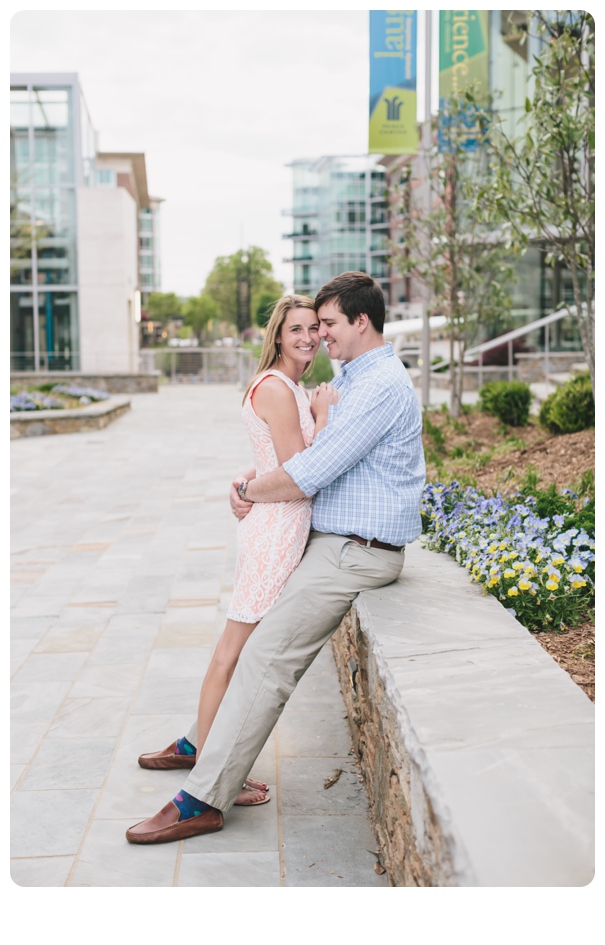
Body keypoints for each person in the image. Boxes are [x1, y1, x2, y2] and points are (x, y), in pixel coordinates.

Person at [127, 271, 424, 844]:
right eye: (313, 326)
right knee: (248, 639)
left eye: (330, 324)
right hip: (335, 542)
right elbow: (306, 456)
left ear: (361, 321)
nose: (322, 335)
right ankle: (200, 742)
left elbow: (309, 472)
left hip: (355, 552)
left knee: (265, 656)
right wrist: (253, 475)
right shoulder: (354, 376)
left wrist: (245, 491)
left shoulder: (380, 384)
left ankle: (204, 798)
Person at [136, 295, 339, 807]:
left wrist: (247, 476)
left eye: (314, 328)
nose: (308, 337)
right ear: (277, 336)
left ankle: (202, 748)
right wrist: (324, 416)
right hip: (274, 533)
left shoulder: (286, 385)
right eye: (296, 329)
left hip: (279, 528)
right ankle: (210, 764)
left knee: (242, 653)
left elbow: (268, 458)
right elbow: (300, 474)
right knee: (234, 653)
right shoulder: (277, 388)